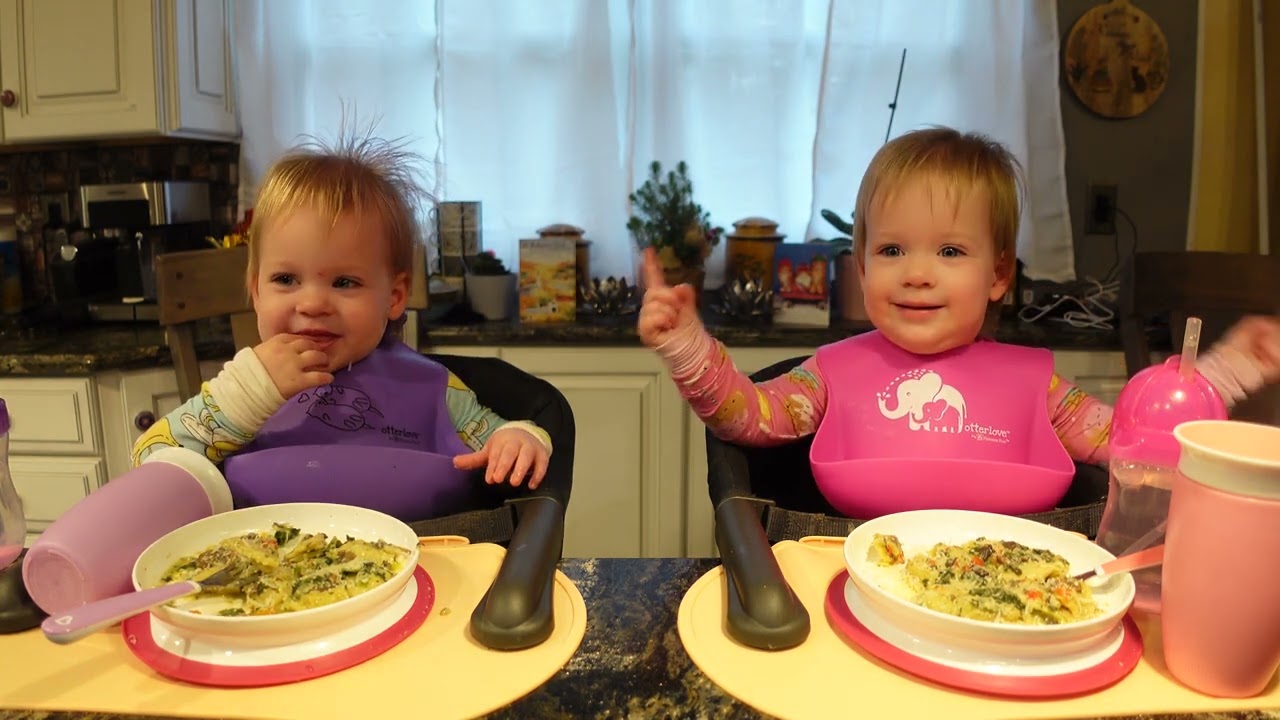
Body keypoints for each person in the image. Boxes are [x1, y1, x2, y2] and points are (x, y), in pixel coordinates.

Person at [639, 126, 1280, 516]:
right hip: (856, 580)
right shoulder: (827, 377)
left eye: (950, 251)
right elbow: (747, 417)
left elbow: (1136, 445)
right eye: (892, 250)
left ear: (997, 274)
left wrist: (1222, 374)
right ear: (861, 268)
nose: (917, 273)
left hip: (1003, 597)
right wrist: (687, 346)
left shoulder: (1039, 390)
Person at [132, 132, 551, 519]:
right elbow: (151, 462)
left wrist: (520, 440)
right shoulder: (244, 390)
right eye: (285, 279)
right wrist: (245, 398)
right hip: (262, 568)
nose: (312, 304)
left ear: (394, 297)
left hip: (417, 563)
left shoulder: (432, 389)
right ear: (256, 291)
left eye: (345, 282)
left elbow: (499, 437)